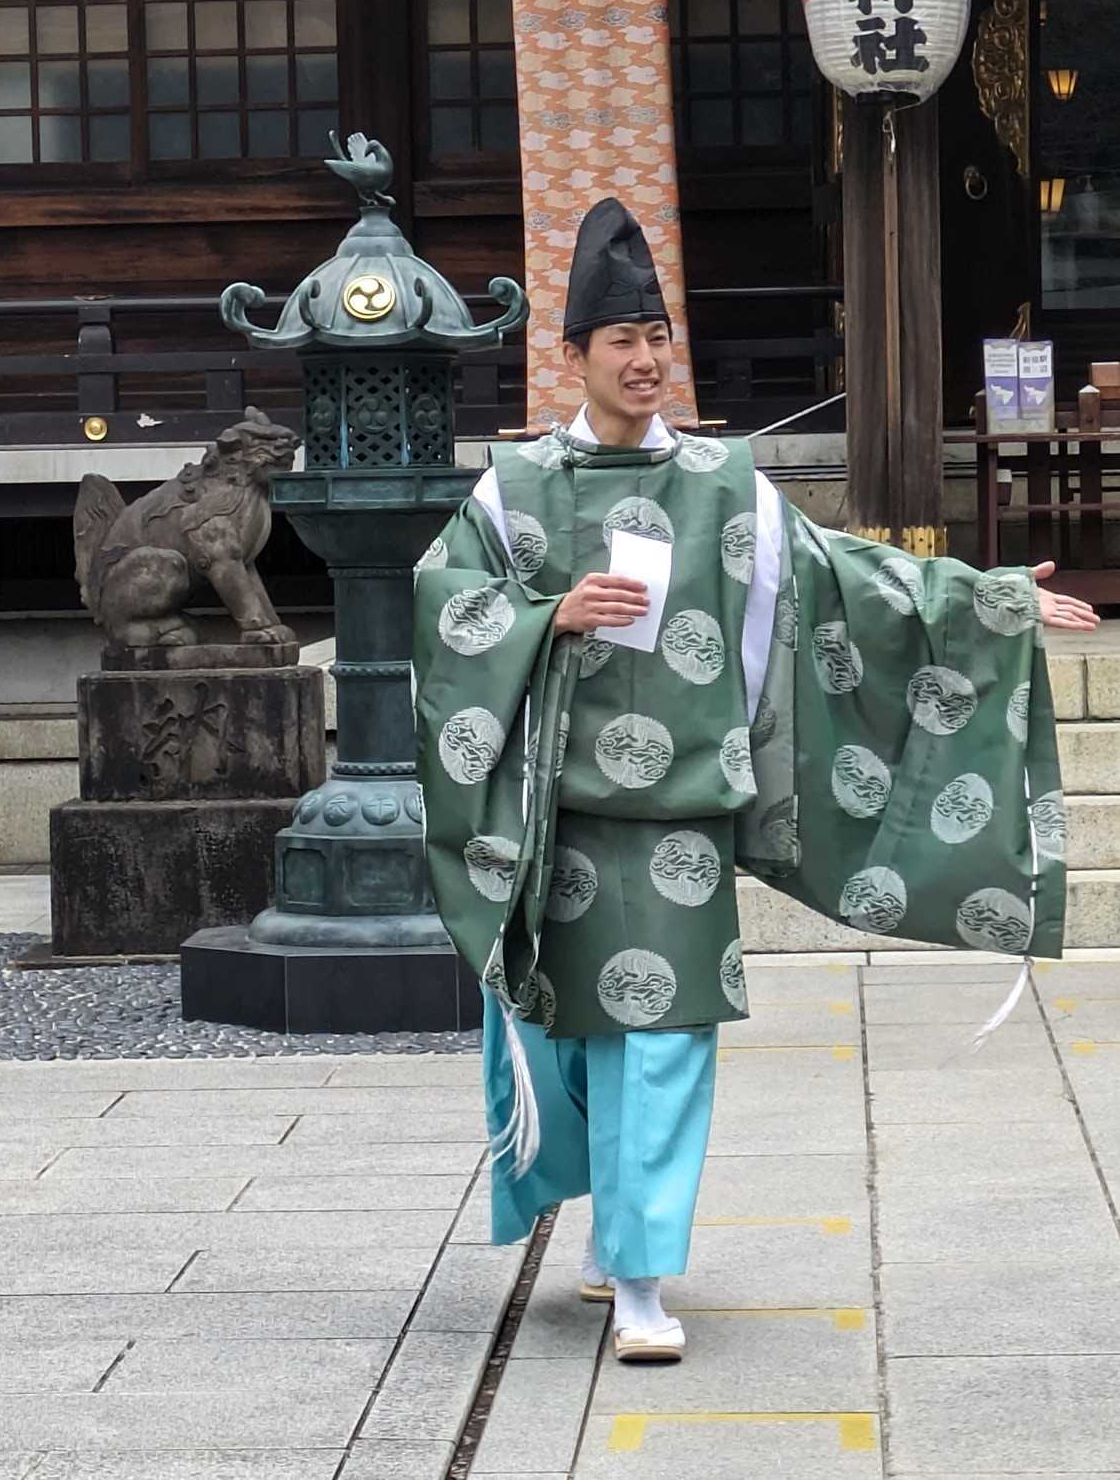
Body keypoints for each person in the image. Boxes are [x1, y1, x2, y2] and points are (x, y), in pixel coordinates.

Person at [414, 198, 1095, 1365]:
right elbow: (446, 612)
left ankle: (640, 1277)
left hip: (679, 824)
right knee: (564, 1042)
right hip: (552, 822)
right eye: (620, 340)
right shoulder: (510, 491)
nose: (644, 359)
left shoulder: (726, 482)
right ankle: (605, 1224)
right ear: (572, 355)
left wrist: (986, 599)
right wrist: (548, 615)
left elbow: (846, 580)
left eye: (657, 337)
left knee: (665, 1042)